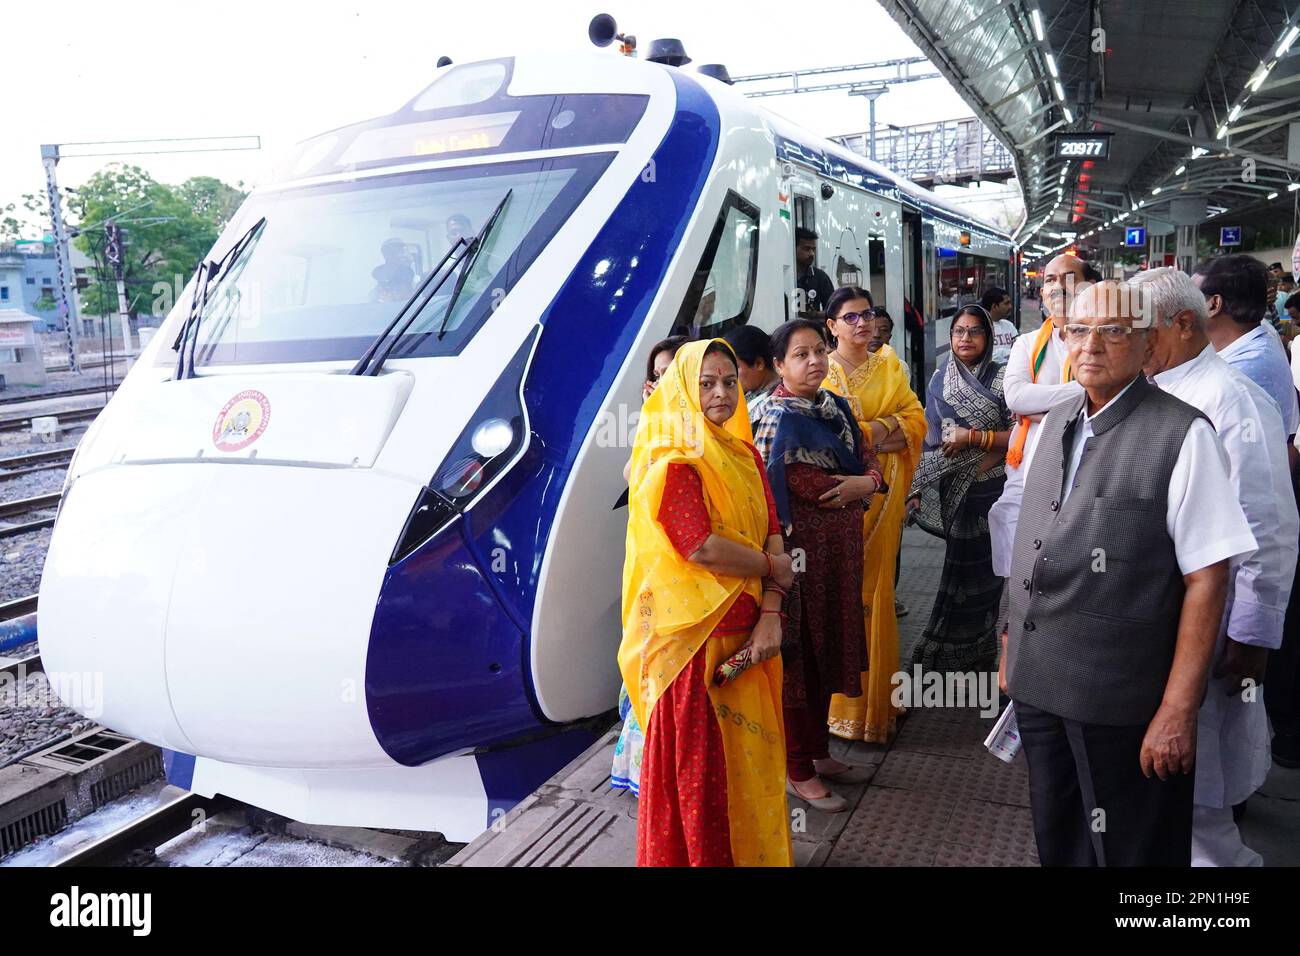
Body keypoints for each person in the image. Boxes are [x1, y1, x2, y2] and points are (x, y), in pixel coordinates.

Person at [1004, 280, 1256, 867]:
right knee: (1060, 834)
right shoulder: (1060, 416)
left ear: (1149, 347)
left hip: (1122, 696)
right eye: (1079, 330)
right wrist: (1009, 642)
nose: (1091, 345)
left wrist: (1177, 710)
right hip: (1040, 685)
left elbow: (1208, 577)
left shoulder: (1183, 433)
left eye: (1114, 331)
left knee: (1136, 850)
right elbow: (1029, 539)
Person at [1135, 267, 1298, 867]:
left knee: (1202, 804)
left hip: (1215, 627)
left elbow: (1269, 530)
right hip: (1156, 625)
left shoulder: (1233, 402)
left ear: (1183, 325)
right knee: (1169, 788)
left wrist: (1251, 636)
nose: (1128, 345)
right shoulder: (1159, 388)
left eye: (1139, 330)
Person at [619, 339, 794, 867]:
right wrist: (771, 572)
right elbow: (698, 547)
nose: (721, 393)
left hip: (749, 636)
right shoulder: (673, 462)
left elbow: (772, 533)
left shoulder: (741, 452)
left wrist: (771, 611)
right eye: (707, 383)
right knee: (703, 778)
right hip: (694, 652)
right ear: (681, 389)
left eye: (729, 381)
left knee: (750, 767)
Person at [754, 319, 877, 812]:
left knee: (831, 644)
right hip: (796, 563)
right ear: (779, 365)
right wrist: (857, 484)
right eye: (800, 354)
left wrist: (864, 483)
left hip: (840, 558)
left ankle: (820, 750)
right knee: (799, 657)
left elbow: (869, 463)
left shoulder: (838, 408)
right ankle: (797, 768)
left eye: (819, 352)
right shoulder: (768, 415)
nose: (814, 362)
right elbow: (805, 486)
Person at [821, 286, 927, 743]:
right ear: (832, 326)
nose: (862, 324)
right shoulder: (819, 370)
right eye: (850, 317)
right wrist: (881, 435)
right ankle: (837, 705)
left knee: (878, 589)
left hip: (884, 497)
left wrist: (872, 432)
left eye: (867, 315)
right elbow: (822, 437)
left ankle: (874, 703)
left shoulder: (891, 366)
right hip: (837, 500)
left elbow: (917, 419)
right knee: (837, 595)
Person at [905, 305, 1014, 672]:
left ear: (987, 336)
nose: (965, 339)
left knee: (988, 574)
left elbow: (1024, 437)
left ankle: (981, 646)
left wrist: (975, 437)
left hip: (993, 490)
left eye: (974, 332)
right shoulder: (939, 379)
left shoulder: (1005, 378)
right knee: (956, 571)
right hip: (956, 490)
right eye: (958, 332)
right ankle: (948, 651)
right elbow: (931, 440)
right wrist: (916, 487)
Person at [987, 254, 1087, 580]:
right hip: (1026, 461)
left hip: (1082, 461)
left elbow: (1111, 394)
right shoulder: (1026, 343)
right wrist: (1084, 390)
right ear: (1042, 293)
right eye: (1050, 280)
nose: (1058, 287)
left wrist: (1042, 409)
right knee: (1010, 529)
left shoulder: (1100, 342)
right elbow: (1015, 396)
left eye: (1068, 278)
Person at [1194, 254, 1300, 448]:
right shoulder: (1257, 339)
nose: (1183, 306)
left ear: (1214, 304)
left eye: (1190, 296)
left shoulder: (1242, 373)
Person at [724, 324, 781, 432]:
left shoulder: (774, 405)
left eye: (735, 367)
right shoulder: (751, 393)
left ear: (758, 364)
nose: (729, 376)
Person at [795, 228, 836, 318]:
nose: (812, 254)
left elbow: (835, 311)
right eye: (806, 249)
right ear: (793, 248)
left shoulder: (820, 277)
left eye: (813, 249)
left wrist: (815, 315)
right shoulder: (783, 277)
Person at [370, 238, 417, 302]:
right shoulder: (375, 292)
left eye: (401, 251)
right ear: (385, 255)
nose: (400, 255)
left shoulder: (412, 277)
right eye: (393, 252)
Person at [981, 286, 1019, 364]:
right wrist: (1004, 353)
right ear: (994, 306)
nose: (1010, 307)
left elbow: (1019, 349)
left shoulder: (1009, 325)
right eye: (1006, 303)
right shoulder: (980, 328)